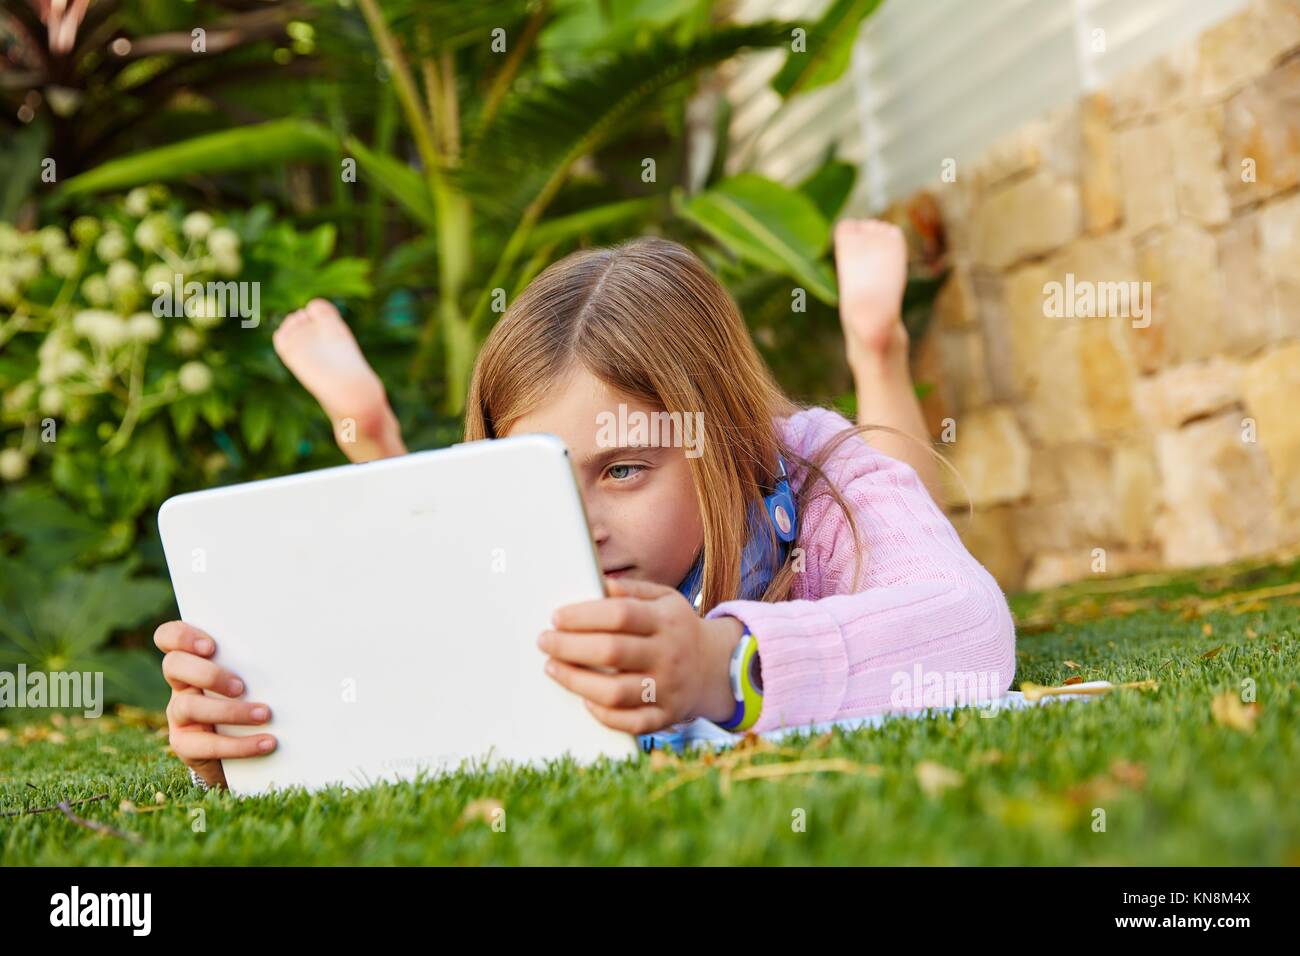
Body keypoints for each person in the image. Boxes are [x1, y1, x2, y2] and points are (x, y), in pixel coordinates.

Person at [157, 219, 1015, 790]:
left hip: (852, 474)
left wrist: (725, 666)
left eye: (623, 472)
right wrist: (251, 723)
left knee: (903, 480)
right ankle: (375, 445)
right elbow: (399, 656)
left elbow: (969, 627)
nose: (582, 526)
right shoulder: (503, 526)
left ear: (731, 446)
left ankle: (877, 343)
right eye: (545, 475)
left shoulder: (812, 475)